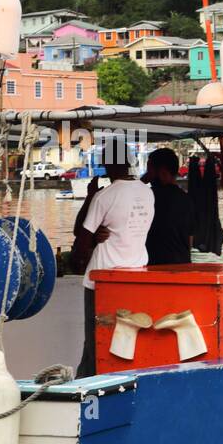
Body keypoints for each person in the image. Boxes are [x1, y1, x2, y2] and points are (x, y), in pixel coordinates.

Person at [72, 147, 154, 378]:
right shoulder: (148, 193)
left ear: (107, 164)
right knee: (128, 337)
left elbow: (80, 238)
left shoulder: (105, 196)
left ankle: (85, 386)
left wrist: (91, 198)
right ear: (129, 162)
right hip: (135, 274)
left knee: (95, 340)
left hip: (101, 278)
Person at [142, 147, 194, 265]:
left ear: (162, 172)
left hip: (155, 268)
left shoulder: (149, 197)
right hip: (182, 265)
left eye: (149, 170)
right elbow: (190, 240)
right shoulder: (186, 200)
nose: (147, 175)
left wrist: (140, 182)